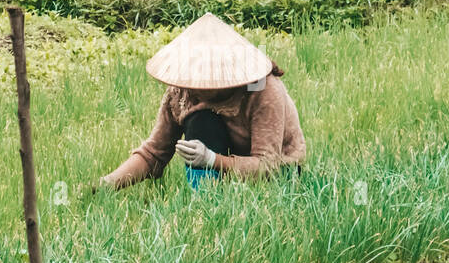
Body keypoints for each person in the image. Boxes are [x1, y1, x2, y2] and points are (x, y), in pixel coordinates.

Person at [99, 12, 306, 190]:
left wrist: (212, 160)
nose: (196, 88)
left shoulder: (262, 89)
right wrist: (105, 185)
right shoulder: (182, 92)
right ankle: (206, 202)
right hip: (223, 171)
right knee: (200, 121)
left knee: (205, 126)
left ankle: (220, 195)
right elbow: (153, 153)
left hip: (279, 175)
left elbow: (267, 166)